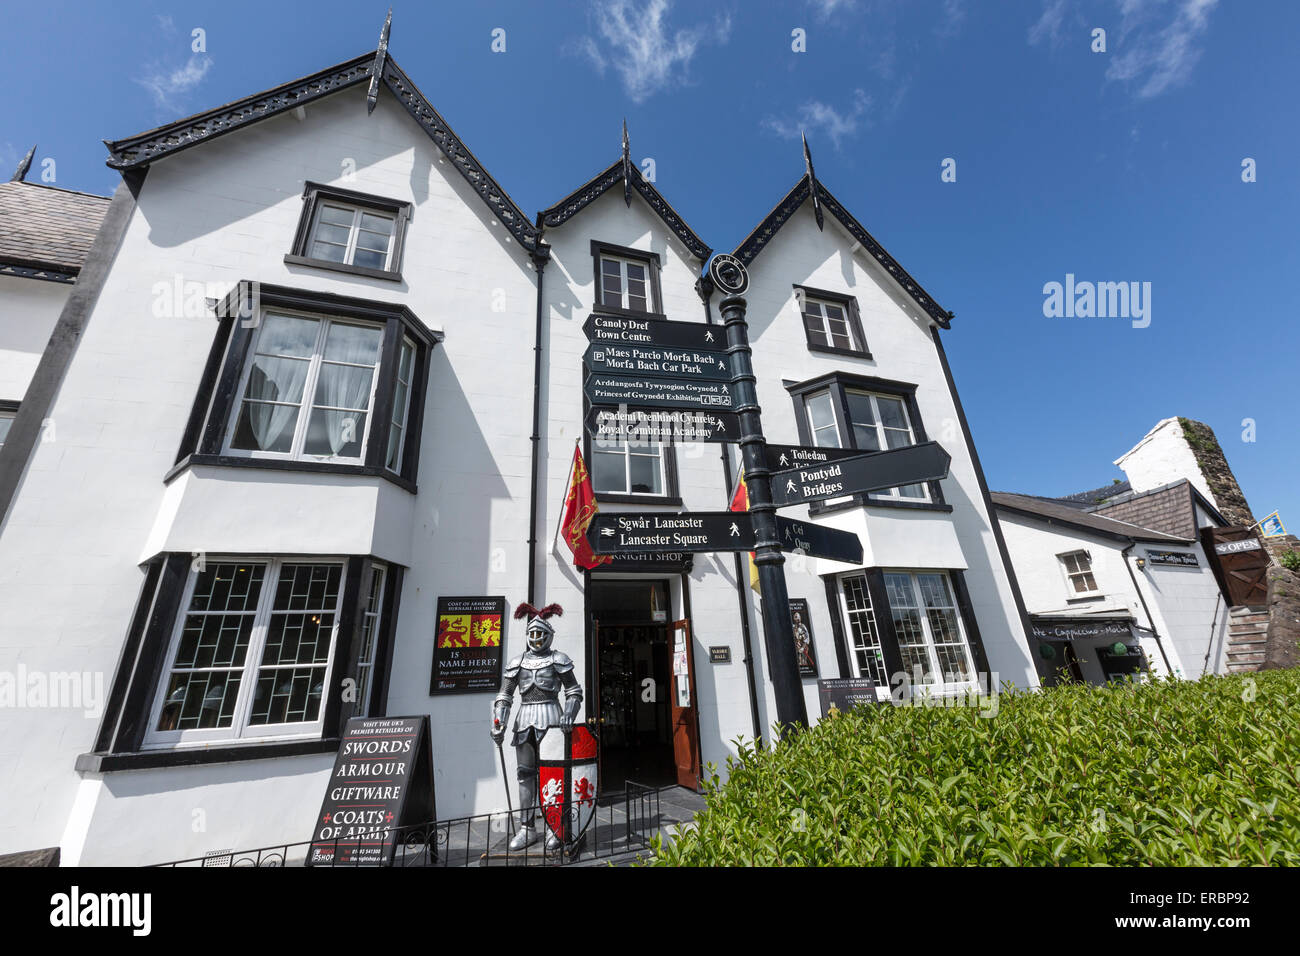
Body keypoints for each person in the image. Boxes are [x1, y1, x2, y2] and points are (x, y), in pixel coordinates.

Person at [490, 602, 582, 851]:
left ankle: (555, 826)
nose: (535, 637)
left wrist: (569, 714)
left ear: (549, 635)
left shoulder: (558, 659)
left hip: (552, 718)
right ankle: (527, 828)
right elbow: (505, 695)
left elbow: (574, 691)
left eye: (540, 633)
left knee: (553, 774)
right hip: (524, 720)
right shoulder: (517, 661)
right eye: (532, 633)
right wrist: (499, 722)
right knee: (525, 775)